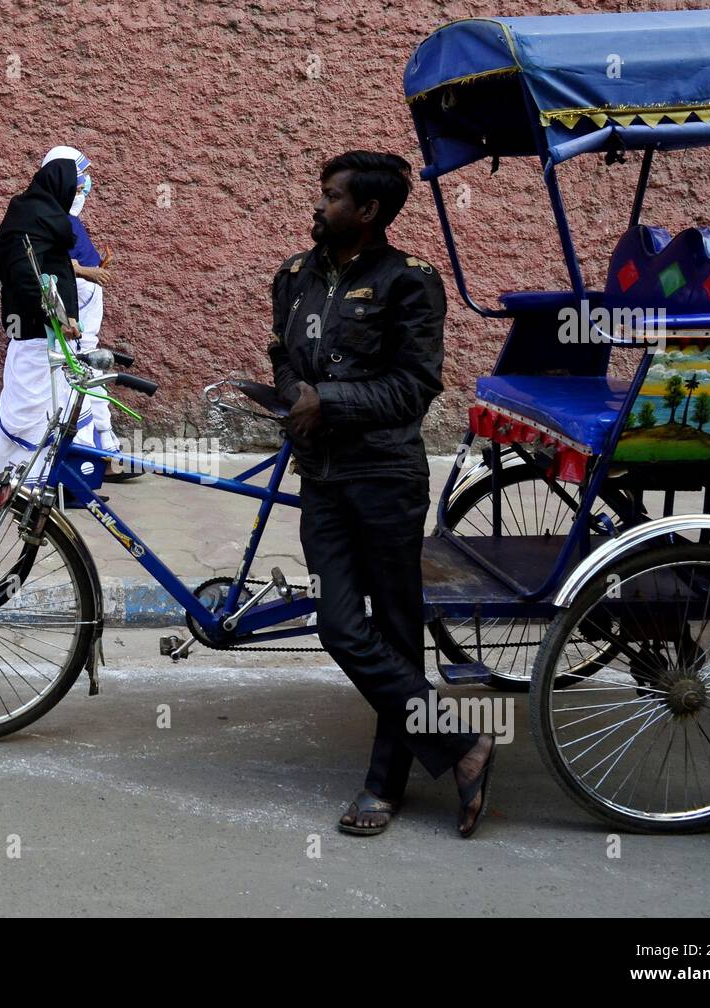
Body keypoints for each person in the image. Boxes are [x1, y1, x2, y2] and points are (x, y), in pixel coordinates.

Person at [268, 150, 494, 838]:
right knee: (339, 625)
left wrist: (323, 400)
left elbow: (414, 388)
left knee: (397, 634)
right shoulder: (295, 276)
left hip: (386, 477)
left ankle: (383, 786)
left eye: (331, 196)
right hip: (323, 478)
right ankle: (463, 743)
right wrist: (290, 395)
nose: (318, 206)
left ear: (367, 211)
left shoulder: (410, 284)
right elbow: (281, 354)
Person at [0, 149, 100, 496]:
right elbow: (27, 275)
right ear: (61, 180)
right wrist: (59, 315)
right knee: (27, 410)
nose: (81, 191)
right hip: (37, 332)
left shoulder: (43, 215)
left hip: (50, 335)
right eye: (78, 184)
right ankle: (7, 486)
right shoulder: (34, 215)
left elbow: (50, 268)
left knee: (48, 409)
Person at [38, 146, 139, 480]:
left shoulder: (66, 216)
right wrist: (85, 272)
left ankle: (105, 454)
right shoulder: (46, 215)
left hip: (86, 308)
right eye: (79, 178)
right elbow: (46, 261)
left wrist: (94, 267)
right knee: (85, 376)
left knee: (93, 374)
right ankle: (94, 458)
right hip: (72, 316)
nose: (84, 185)